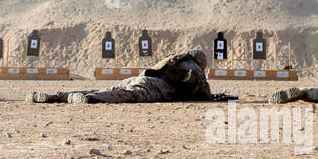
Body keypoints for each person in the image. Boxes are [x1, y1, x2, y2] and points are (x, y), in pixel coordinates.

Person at [29, 50, 213, 104]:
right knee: (126, 95)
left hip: (140, 78)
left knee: (111, 89)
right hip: (154, 87)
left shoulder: (174, 60)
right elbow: (204, 92)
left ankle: (56, 96)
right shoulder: (192, 66)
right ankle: (90, 99)